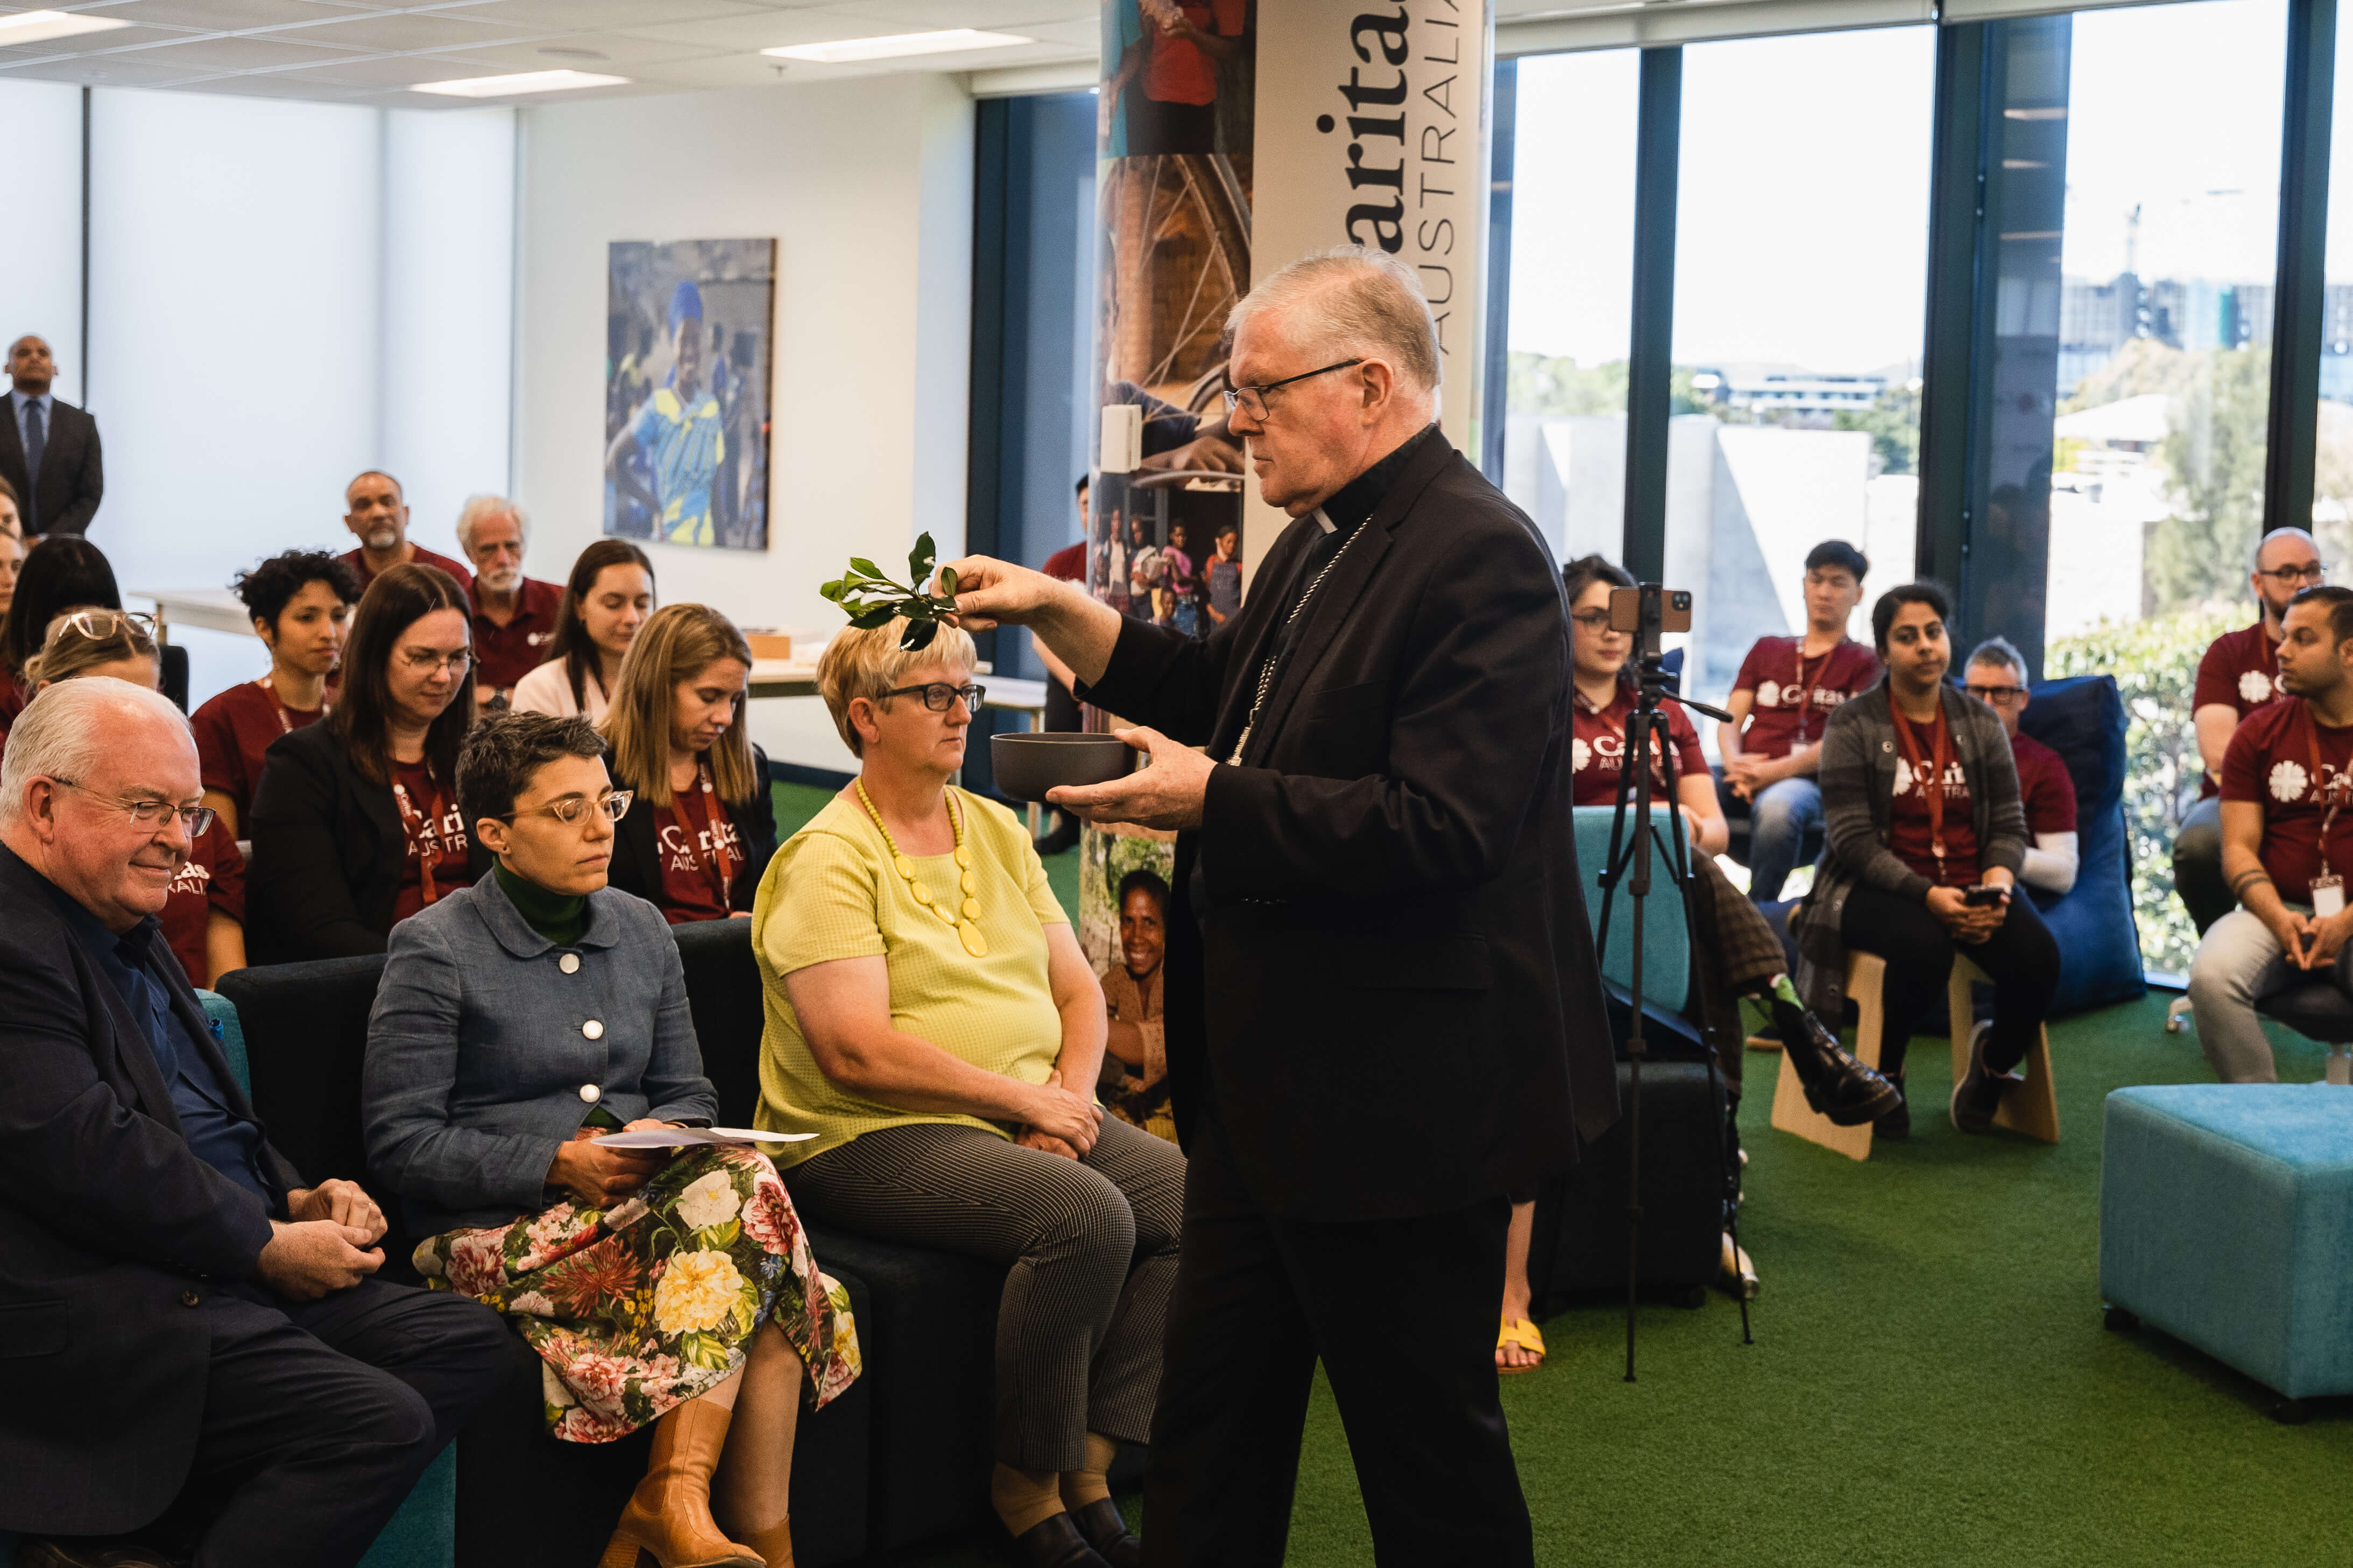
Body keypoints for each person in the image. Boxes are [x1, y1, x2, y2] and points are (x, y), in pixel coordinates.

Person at [944, 245, 1615, 1567]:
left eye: (1254, 390)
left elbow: (1444, 824)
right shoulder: (1322, 536)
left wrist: (1216, 803)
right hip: (1270, 1095)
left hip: (1401, 1107)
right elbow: (1214, 694)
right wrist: (1056, 611)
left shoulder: (1477, 554)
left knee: (1428, 1473)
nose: (1229, 420)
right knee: (1209, 1438)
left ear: (1368, 385)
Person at [0, 676, 508, 1567]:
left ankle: (153, 1537)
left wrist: (297, 1195)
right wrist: (264, 1242)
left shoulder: (123, 913)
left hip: (211, 1267)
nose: (176, 841)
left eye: (190, 813)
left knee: (466, 1339)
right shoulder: (14, 940)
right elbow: (83, 1150)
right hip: (109, 1307)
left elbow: (206, 1114)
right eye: (148, 807)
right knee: (378, 1422)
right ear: (45, 804)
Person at [365, 713, 858, 1568]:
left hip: (645, 1208)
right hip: (498, 1232)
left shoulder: (640, 927)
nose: (602, 828)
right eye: (567, 811)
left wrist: (663, 1136)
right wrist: (556, 1158)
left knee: (742, 1200)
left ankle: (687, 1508)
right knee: (764, 1246)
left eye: (608, 801)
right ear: (495, 834)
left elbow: (690, 1092)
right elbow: (400, 1143)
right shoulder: (434, 946)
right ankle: (716, 1527)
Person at [754, 616, 1180, 1568]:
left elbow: (1079, 991)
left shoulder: (992, 825)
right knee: (1085, 1218)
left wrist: (1066, 1105)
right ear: (865, 717)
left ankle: (1091, 1461)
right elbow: (854, 1054)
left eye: (967, 692)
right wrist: (1026, 1105)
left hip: (1022, 1107)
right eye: (935, 696)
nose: (961, 713)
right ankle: (1025, 1485)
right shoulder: (828, 857)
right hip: (864, 1135)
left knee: (1196, 1204)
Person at [1510, 555, 1897, 1361]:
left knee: (1691, 880)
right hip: (1562, 910)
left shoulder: (1664, 716)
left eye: (1625, 618)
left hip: (1659, 902)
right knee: (1700, 897)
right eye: (1593, 616)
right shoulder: (1533, 706)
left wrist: (1664, 824)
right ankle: (1800, 1033)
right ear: (1560, 623)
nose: (1613, 632)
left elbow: (1714, 827)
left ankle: (1708, 1207)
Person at [1793, 583, 2059, 1137]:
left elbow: (2008, 825)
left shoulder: (1979, 721)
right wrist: (1927, 895)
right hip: (1874, 887)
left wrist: (1997, 884)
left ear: (1947, 640)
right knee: (1925, 944)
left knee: (2039, 956)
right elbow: (1851, 839)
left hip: (1970, 881)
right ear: (1883, 651)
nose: (1923, 646)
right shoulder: (1851, 723)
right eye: (1905, 636)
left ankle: (1989, 1067)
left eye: (1932, 632)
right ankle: (1885, 1075)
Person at [246, 564, 491, 963]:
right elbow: (317, 929)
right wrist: (435, 973)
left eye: (459, 657)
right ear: (374, 655)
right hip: (372, 983)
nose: (445, 676)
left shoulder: (485, 756)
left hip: (488, 975)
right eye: (423, 657)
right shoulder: (302, 766)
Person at [25, 608, 248, 988]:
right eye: (115, 702)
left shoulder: (197, 825)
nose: (141, 720)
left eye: (152, 700)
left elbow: (228, 993)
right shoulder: (38, 833)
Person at [2186, 584, 2353, 1083]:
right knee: (2210, 977)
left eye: (2303, 639)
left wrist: (2343, 922)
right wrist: (2279, 919)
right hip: (2276, 909)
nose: (2281, 650)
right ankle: (2261, 1117)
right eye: (2283, 637)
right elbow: (2237, 849)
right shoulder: (2257, 733)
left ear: (2348, 653)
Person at [2177, 527, 2324, 933]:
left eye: (2312, 570)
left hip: (2327, 798)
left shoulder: (2336, 659)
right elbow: (2218, 757)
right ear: (2257, 583)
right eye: (2288, 572)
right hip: (2236, 800)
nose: (2302, 582)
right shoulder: (2229, 653)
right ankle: (2220, 943)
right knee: (2199, 846)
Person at [1716, 540, 1879, 904]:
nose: (1824, 592)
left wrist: (1769, 773)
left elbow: (1843, 743)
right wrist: (1734, 765)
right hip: (1744, 772)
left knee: (1777, 808)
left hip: (1810, 782)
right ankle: (1701, 903)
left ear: (1858, 594)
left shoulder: (1865, 662)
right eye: (1816, 579)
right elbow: (1729, 721)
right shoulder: (1766, 648)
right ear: (1803, 584)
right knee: (1676, 787)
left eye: (1837, 583)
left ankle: (1757, 914)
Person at [602, 604, 779, 923]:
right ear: (655, 688)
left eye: (735, 700)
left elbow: (771, 881)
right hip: (650, 962)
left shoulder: (749, 765)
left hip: (736, 955)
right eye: (708, 697)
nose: (725, 717)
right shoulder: (598, 771)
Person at [192, 550, 360, 838]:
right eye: (307, 618)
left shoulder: (357, 711)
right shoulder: (221, 718)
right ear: (265, 628)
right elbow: (222, 854)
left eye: (339, 616)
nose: (329, 632)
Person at [609, 281, 727, 548]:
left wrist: (724, 546)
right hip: (669, 543)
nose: (689, 350)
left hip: (707, 545)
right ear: (672, 344)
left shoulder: (711, 410)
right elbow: (615, 460)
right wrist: (655, 506)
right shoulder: (658, 406)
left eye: (695, 341)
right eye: (682, 340)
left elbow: (716, 495)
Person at [1962, 636, 2078, 898]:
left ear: (2023, 699)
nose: (1987, 704)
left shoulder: (2044, 766)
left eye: (2001, 693)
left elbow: (2065, 873)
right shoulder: (1939, 748)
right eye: (1977, 692)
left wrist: (1990, 850)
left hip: (2006, 889)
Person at [513, 540, 655, 723]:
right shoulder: (541, 689)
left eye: (642, 604)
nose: (632, 618)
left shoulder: (669, 683)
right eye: (613, 604)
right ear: (579, 606)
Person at [0, 535, 122, 729]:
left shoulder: (129, 668)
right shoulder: (9, 692)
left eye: (97, 613)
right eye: (69, 615)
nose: (86, 627)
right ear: (35, 617)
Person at [456, 494, 562, 712]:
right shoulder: (453, 609)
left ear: (524, 546)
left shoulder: (560, 603)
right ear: (469, 553)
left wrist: (496, 696)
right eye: (488, 549)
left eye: (512, 546)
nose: (503, 559)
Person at [1034, 482, 1092, 856]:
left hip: (1114, 674)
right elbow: (1040, 638)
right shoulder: (1061, 563)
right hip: (1068, 675)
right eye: (1084, 504)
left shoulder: (1128, 562)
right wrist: (1076, 684)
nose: (1091, 511)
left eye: (1097, 503)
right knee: (1060, 740)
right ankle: (1068, 825)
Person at [1100, 867, 1177, 1142]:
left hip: (1176, 1124)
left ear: (1168, 928)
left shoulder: (1182, 981)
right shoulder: (1120, 978)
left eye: (1149, 923)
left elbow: (1145, 1046)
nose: (1135, 935)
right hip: (1129, 1113)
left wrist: (1080, 1014)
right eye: (1127, 921)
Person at [0, 334, 103, 537]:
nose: (34, 358)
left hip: (63, 549)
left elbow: (90, 494)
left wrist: (46, 539)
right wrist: (12, 536)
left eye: (43, 353)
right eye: (24, 353)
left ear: (55, 369)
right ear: (7, 368)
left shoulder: (83, 423)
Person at [338, 471, 474, 601]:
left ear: (406, 514)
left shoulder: (449, 575)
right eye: (363, 506)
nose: (378, 513)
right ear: (349, 523)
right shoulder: (335, 577)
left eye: (388, 502)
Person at [1201, 521, 1241, 629]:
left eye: (1235, 542)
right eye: (1228, 542)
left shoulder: (1239, 566)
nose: (1232, 545)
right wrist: (1214, 614)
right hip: (1214, 621)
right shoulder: (1211, 563)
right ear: (1220, 542)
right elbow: (1204, 594)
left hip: (1233, 621)